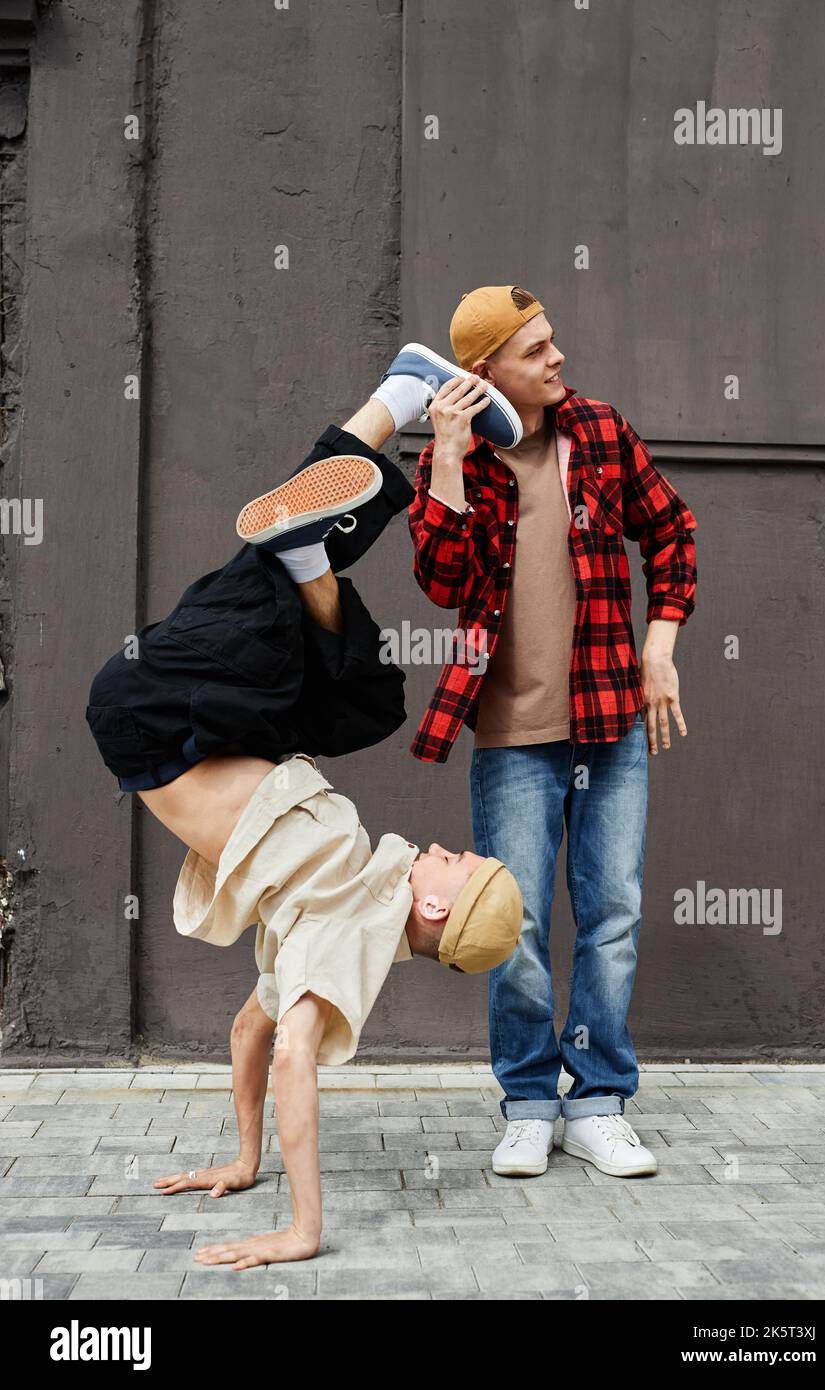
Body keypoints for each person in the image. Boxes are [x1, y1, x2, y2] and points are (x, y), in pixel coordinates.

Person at [85, 390, 523, 1269]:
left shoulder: (344, 940)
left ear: (438, 906)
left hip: (153, 716)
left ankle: (367, 447)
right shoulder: (353, 897)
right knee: (360, 693)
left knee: (268, 585)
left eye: (467, 864)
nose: (458, 848)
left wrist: (302, 1228)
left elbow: (292, 1057)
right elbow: (254, 1032)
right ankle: (328, 515)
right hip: (208, 725)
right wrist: (245, 1161)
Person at [379, 285, 698, 1179]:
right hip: (513, 735)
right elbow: (441, 580)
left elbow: (672, 530)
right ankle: (527, 1102)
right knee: (511, 925)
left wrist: (660, 642)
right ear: (485, 374)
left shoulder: (599, 429)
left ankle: (597, 1101)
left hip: (611, 721)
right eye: (537, 350)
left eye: (554, 341)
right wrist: (443, 453)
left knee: (613, 914)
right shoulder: (467, 462)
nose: (557, 359)